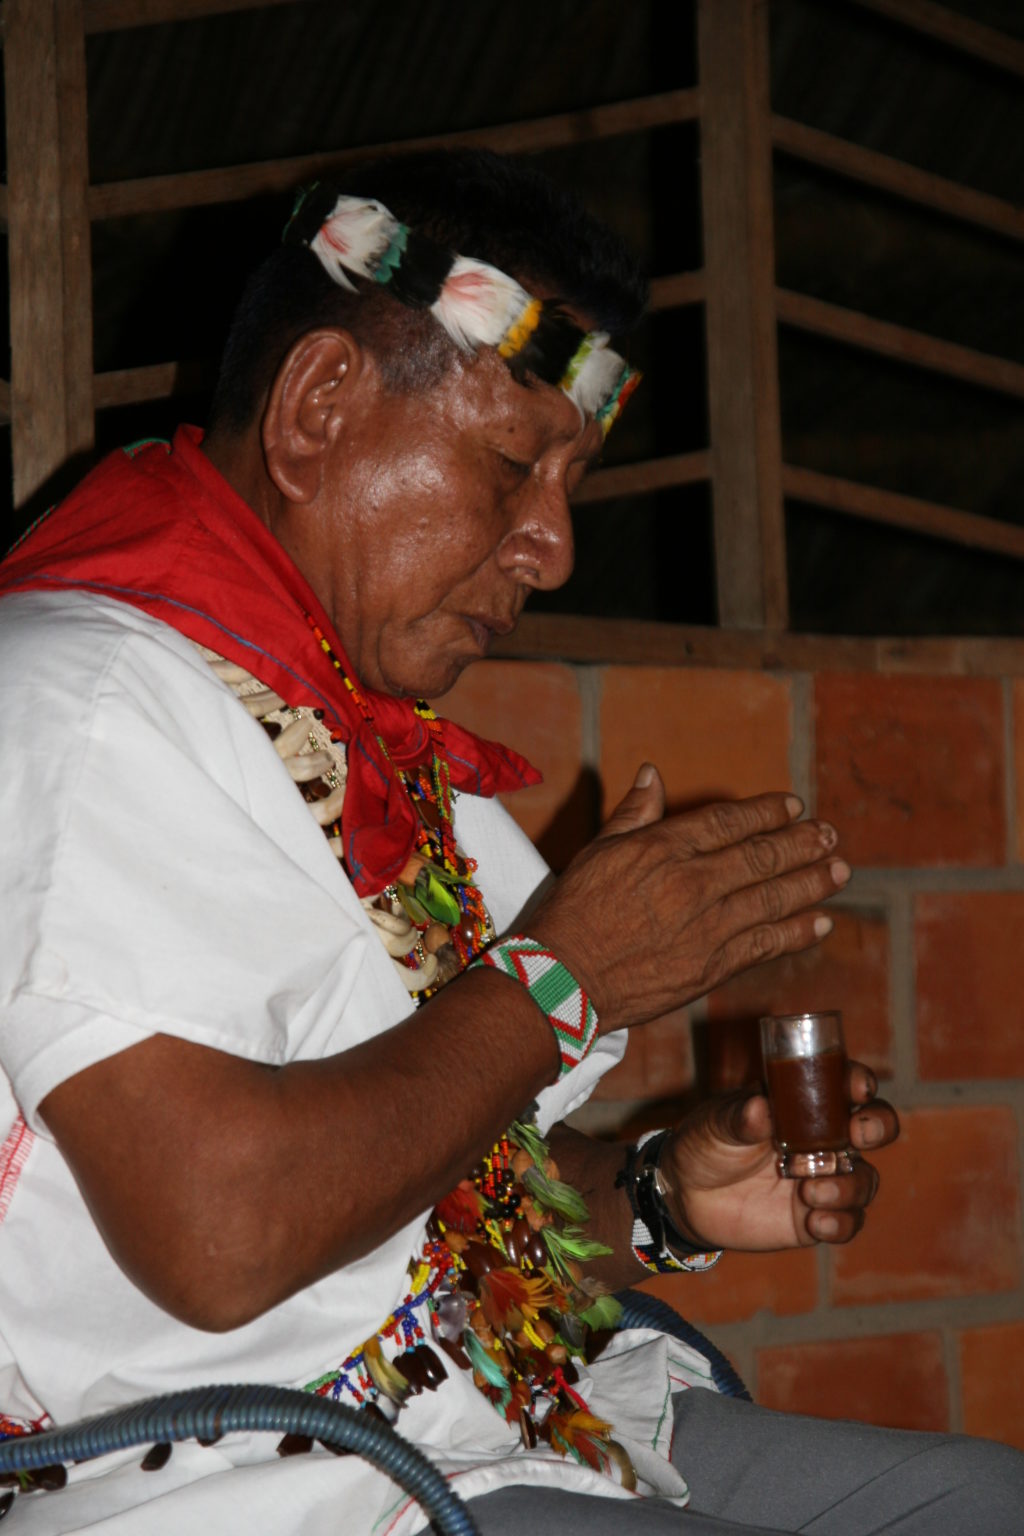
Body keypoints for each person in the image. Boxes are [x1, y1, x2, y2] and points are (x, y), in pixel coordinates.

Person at [0, 149, 1019, 1535]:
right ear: (317, 410)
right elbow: (223, 1238)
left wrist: (661, 1196)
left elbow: (436, 1215)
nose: (553, 546)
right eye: (510, 466)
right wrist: (561, 976)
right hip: (265, 1495)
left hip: (516, 1418)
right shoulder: (80, 702)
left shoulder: (381, 757)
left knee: (983, 1501)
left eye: (571, 483)